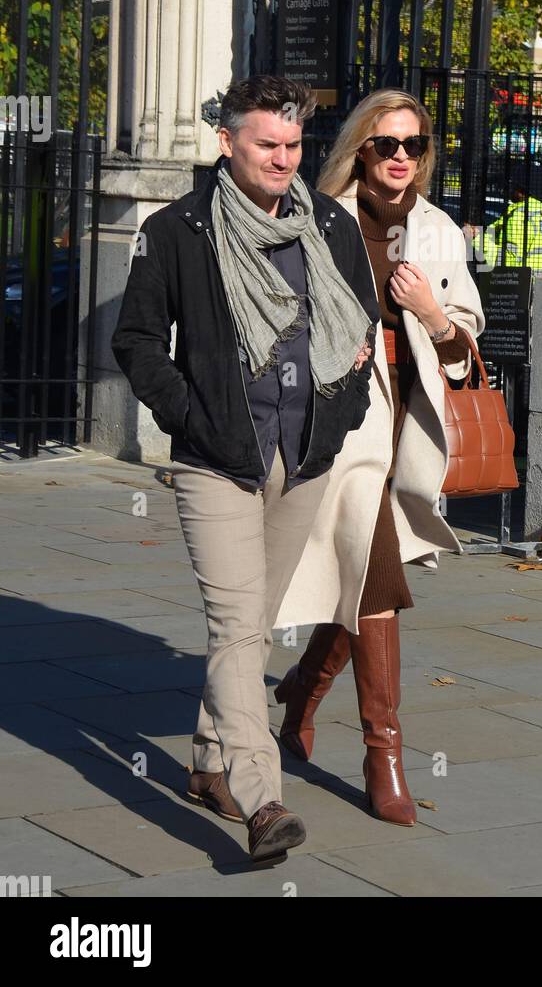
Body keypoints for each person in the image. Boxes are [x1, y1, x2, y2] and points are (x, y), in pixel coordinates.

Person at [111, 76, 380, 862]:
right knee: (235, 625)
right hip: (217, 460)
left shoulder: (327, 223)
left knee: (252, 626)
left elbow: (359, 331)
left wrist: (344, 411)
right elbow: (134, 341)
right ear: (226, 142)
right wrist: (191, 417)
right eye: (267, 144)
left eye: (294, 146)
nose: (283, 159)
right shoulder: (179, 231)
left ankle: (205, 765)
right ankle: (264, 803)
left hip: (302, 456)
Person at [273, 89, 485, 826]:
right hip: (342, 421)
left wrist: (429, 310)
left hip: (409, 426)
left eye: (414, 146)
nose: (402, 158)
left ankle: (303, 688)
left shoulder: (436, 232)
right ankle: (383, 754)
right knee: (377, 571)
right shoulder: (316, 218)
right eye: (386, 144)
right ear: (359, 149)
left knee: (360, 565)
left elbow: (462, 352)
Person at [480, 165, 542, 270]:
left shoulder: (518, 216)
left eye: (513, 186)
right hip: (536, 278)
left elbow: (508, 257)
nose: (510, 189)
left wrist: (476, 239)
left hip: (517, 280)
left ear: (521, 192)